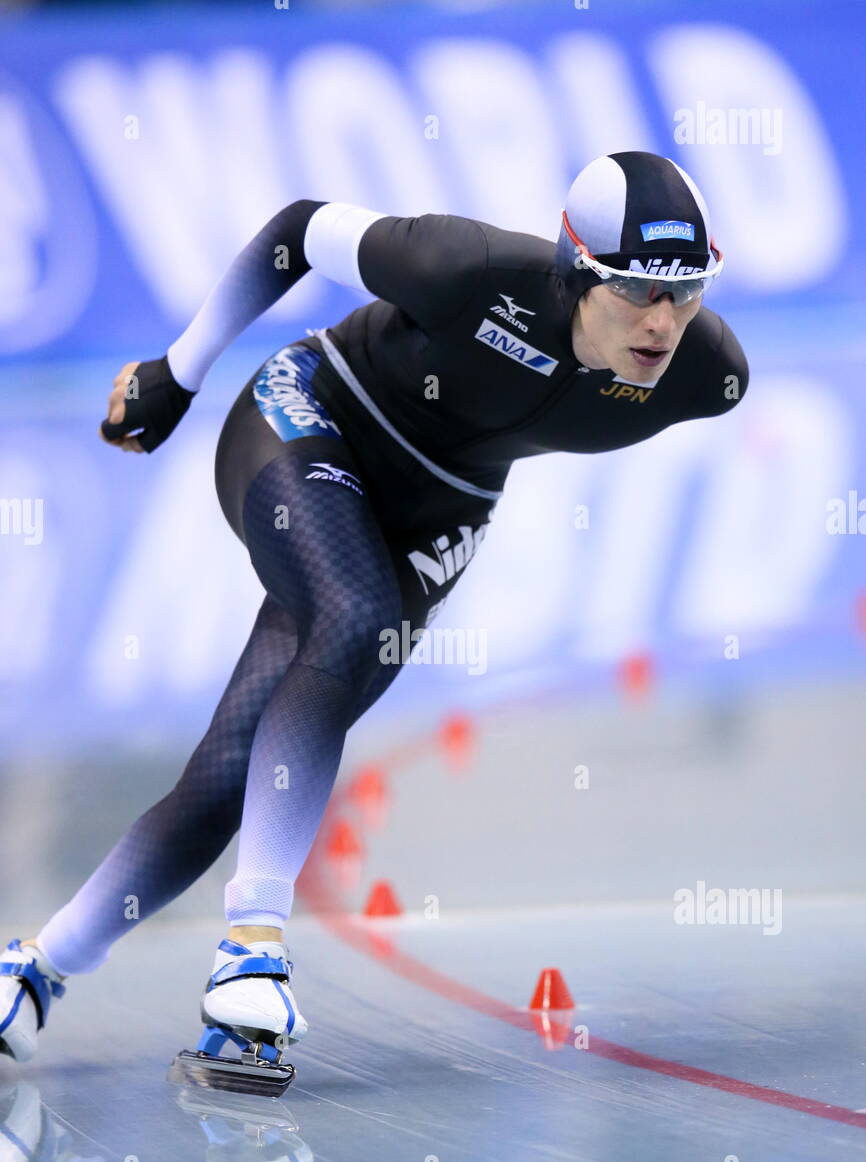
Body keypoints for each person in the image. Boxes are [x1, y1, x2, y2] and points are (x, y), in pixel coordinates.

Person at [0, 151, 748, 1092]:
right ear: (573, 270)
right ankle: (254, 952)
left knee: (235, 768)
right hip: (313, 413)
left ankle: (38, 970)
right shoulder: (467, 271)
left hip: (437, 513)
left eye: (686, 292)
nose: (662, 322)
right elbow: (301, 229)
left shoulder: (710, 375)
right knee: (351, 616)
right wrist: (175, 373)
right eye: (637, 288)